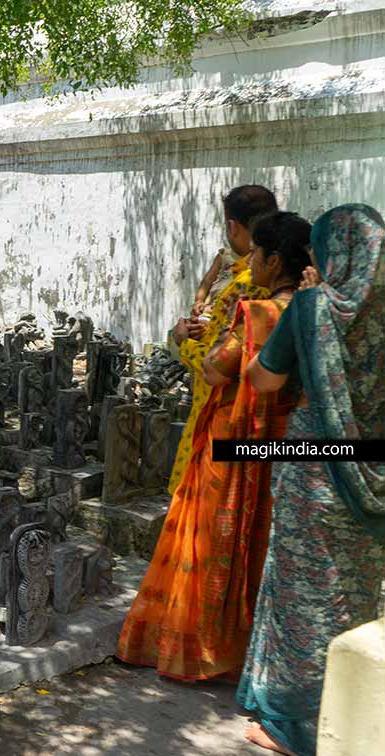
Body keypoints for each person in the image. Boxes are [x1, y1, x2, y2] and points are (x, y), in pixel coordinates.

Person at [117, 211, 311, 681]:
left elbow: (214, 369)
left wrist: (197, 338)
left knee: (211, 542)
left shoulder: (263, 316)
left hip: (234, 441)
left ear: (272, 261)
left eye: (258, 257)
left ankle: (204, 649)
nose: (253, 264)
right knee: (261, 542)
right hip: (284, 446)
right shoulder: (317, 309)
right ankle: (247, 650)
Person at [237, 204, 385, 756]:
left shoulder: (311, 308)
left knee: (303, 599)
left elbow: (265, 381)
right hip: (374, 484)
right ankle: (352, 713)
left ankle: (293, 729)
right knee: (355, 595)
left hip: (317, 476)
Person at [168, 185, 279, 494]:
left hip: (222, 416)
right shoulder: (280, 282)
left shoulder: (250, 284)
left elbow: (215, 368)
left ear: (232, 226)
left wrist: (182, 341)